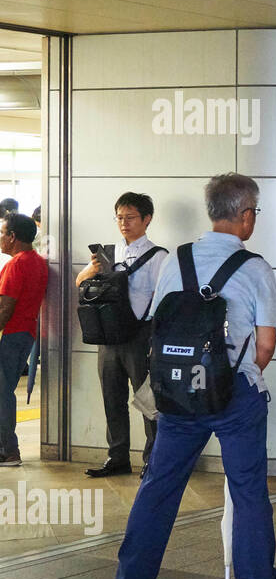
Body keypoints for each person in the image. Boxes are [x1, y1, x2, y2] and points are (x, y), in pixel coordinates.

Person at [114, 174, 276, 579]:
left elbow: (159, 322)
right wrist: (231, 375)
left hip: (177, 395)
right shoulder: (255, 267)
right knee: (248, 489)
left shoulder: (176, 260)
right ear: (247, 215)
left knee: (159, 485)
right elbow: (265, 345)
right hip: (235, 399)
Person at [78, 193, 167, 478]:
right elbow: (80, 283)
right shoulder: (108, 254)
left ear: (147, 219)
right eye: (119, 217)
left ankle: (153, 460)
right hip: (108, 336)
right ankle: (117, 457)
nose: (124, 223)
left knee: (147, 401)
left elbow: (163, 298)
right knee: (111, 398)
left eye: (130, 218)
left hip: (140, 336)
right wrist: (93, 270)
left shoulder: (158, 256)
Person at [0, 214, 46, 467]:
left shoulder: (16, 265)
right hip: (26, 333)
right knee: (4, 390)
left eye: (2, 232)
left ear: (12, 237)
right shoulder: (37, 262)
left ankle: (9, 451)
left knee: (2, 393)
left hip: (10, 333)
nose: (0, 238)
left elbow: (5, 307)